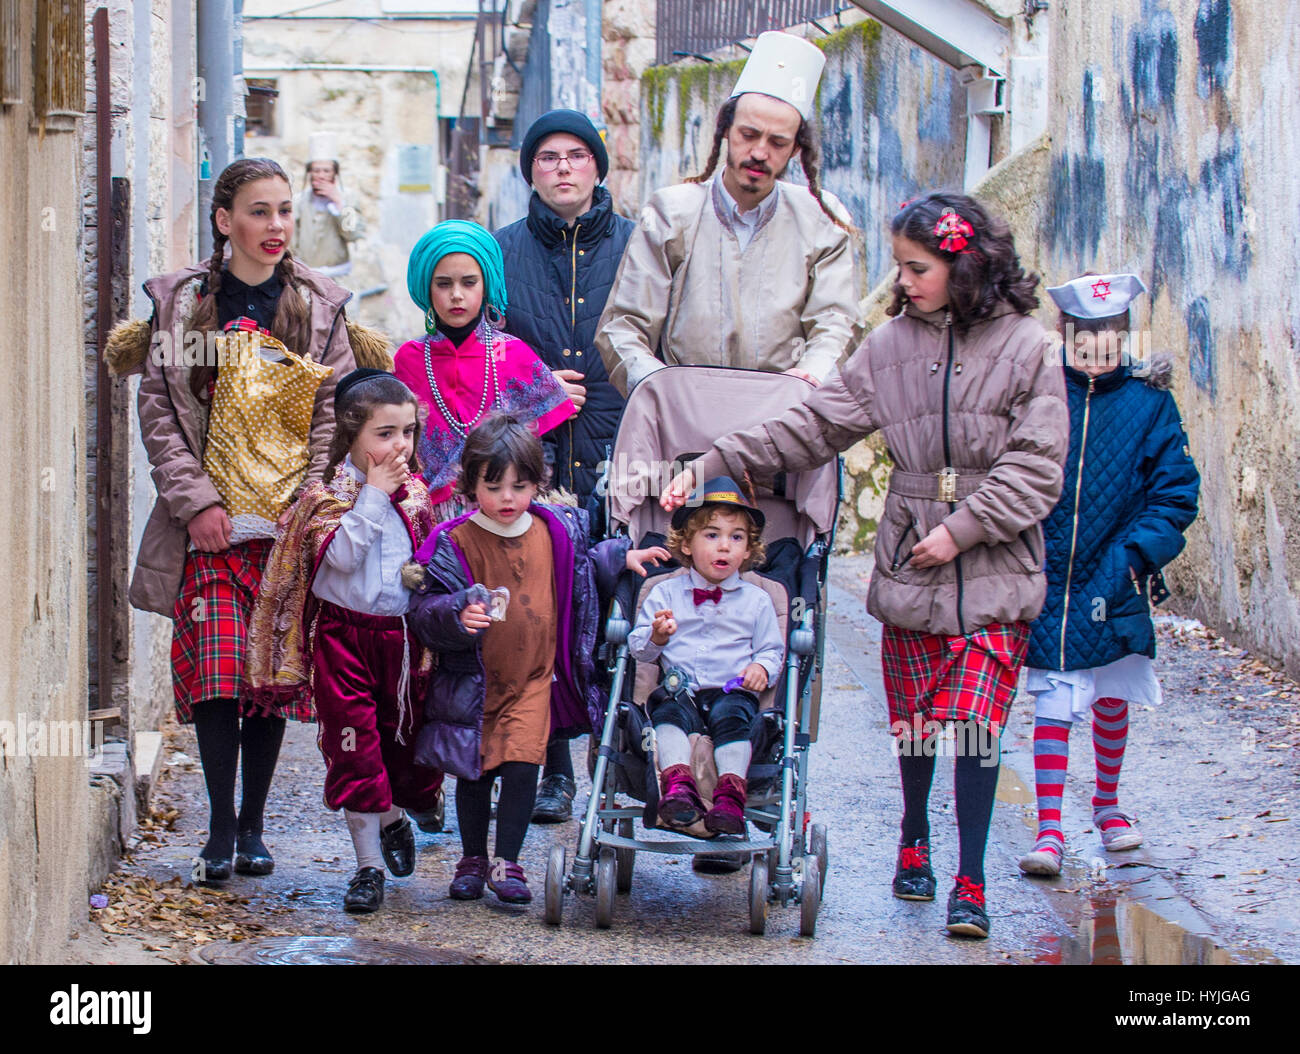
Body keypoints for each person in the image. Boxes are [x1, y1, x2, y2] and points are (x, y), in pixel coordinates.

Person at [661, 192, 1069, 939]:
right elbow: (814, 426)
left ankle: (970, 880)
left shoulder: (1030, 347)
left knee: (977, 726)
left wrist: (965, 529)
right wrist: (717, 459)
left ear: (964, 264)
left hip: (997, 561)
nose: (903, 282)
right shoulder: (890, 348)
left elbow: (1040, 466)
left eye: (917, 268)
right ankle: (914, 834)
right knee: (916, 723)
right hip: (913, 556)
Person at [103, 158, 384, 883]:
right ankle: (219, 830)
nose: (277, 226)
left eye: (285, 211)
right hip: (211, 530)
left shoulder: (317, 306)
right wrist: (196, 503)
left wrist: (311, 499)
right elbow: (160, 409)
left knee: (268, 678)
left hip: (285, 528)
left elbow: (336, 410)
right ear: (225, 221)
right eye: (260, 212)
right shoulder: (186, 308)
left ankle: (255, 827)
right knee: (219, 677)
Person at [408, 414, 668, 905]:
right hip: (475, 682)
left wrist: (620, 558)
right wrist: (455, 615)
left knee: (525, 766)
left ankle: (507, 860)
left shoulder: (555, 530)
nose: (507, 498)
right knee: (475, 772)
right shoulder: (452, 542)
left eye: (520, 485)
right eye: (494, 486)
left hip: (534, 680)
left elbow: (584, 567)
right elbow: (422, 608)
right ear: (468, 485)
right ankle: (472, 858)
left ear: (537, 484)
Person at [1018, 273, 1200, 877]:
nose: (1099, 344)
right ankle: (1049, 830)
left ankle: (1107, 805)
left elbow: (1175, 491)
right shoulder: (1043, 395)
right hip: (1047, 563)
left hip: (1115, 566)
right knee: (1054, 690)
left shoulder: (1151, 405)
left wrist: (1135, 557)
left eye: (1111, 333)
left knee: (1110, 685)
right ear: (1067, 334)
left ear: (1125, 334)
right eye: (1086, 333)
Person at [245, 369, 445, 913]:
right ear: (351, 434)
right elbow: (341, 558)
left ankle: (397, 816)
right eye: (384, 433)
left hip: (401, 642)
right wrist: (374, 498)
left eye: (407, 431)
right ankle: (367, 868)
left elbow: (430, 563)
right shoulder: (324, 497)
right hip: (343, 640)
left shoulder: (418, 496)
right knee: (355, 749)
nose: (399, 445)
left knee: (400, 747)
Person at [494, 109, 636, 823]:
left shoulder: (640, 249)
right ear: (530, 171)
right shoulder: (502, 251)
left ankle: (619, 767)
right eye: (546, 157)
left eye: (576, 155)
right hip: (533, 463)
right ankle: (551, 769)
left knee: (620, 617)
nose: (562, 168)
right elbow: (474, 354)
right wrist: (534, 390)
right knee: (539, 619)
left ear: (597, 167)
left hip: (623, 455)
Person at [596, 31, 862, 397]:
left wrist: (809, 379)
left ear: (796, 149)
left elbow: (837, 322)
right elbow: (623, 326)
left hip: (784, 417)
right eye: (749, 135)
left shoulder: (821, 218)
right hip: (684, 414)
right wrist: (660, 391)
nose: (759, 152)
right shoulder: (672, 212)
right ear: (725, 131)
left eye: (777, 142)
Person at [393, 220, 576, 533]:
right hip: (431, 517)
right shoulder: (409, 359)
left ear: (486, 285)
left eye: (468, 282)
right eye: (443, 284)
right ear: (427, 287)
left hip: (507, 512)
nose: (456, 295)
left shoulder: (514, 354)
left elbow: (543, 448)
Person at [627, 478, 784, 834]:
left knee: (737, 722)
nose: (724, 546)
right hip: (679, 690)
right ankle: (678, 786)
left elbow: (772, 651)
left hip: (731, 690)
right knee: (665, 715)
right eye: (712, 535)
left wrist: (762, 667)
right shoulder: (664, 592)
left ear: (748, 550)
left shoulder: (758, 601)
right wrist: (656, 637)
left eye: (736, 537)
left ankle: (731, 795)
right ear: (686, 543)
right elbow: (638, 648)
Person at [291, 132, 366, 280]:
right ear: (310, 173)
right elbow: (292, 241)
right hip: (306, 276)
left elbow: (353, 234)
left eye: (326, 171)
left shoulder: (348, 198)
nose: (321, 175)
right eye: (316, 170)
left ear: (334, 173)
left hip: (338, 276)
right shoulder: (299, 201)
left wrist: (339, 204)